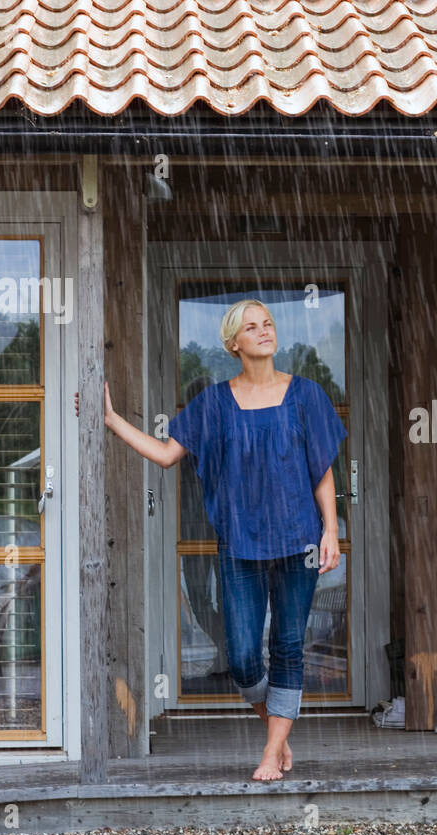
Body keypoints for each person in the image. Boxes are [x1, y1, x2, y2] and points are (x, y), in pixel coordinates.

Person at [102, 298, 347, 781]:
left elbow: (322, 470)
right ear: (234, 343)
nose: (264, 332)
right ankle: (274, 731)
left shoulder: (306, 396)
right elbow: (167, 454)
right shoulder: (214, 403)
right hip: (239, 544)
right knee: (239, 657)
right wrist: (114, 422)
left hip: (299, 541)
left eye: (268, 324)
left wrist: (331, 529)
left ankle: (271, 751)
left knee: (289, 647)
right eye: (251, 327)